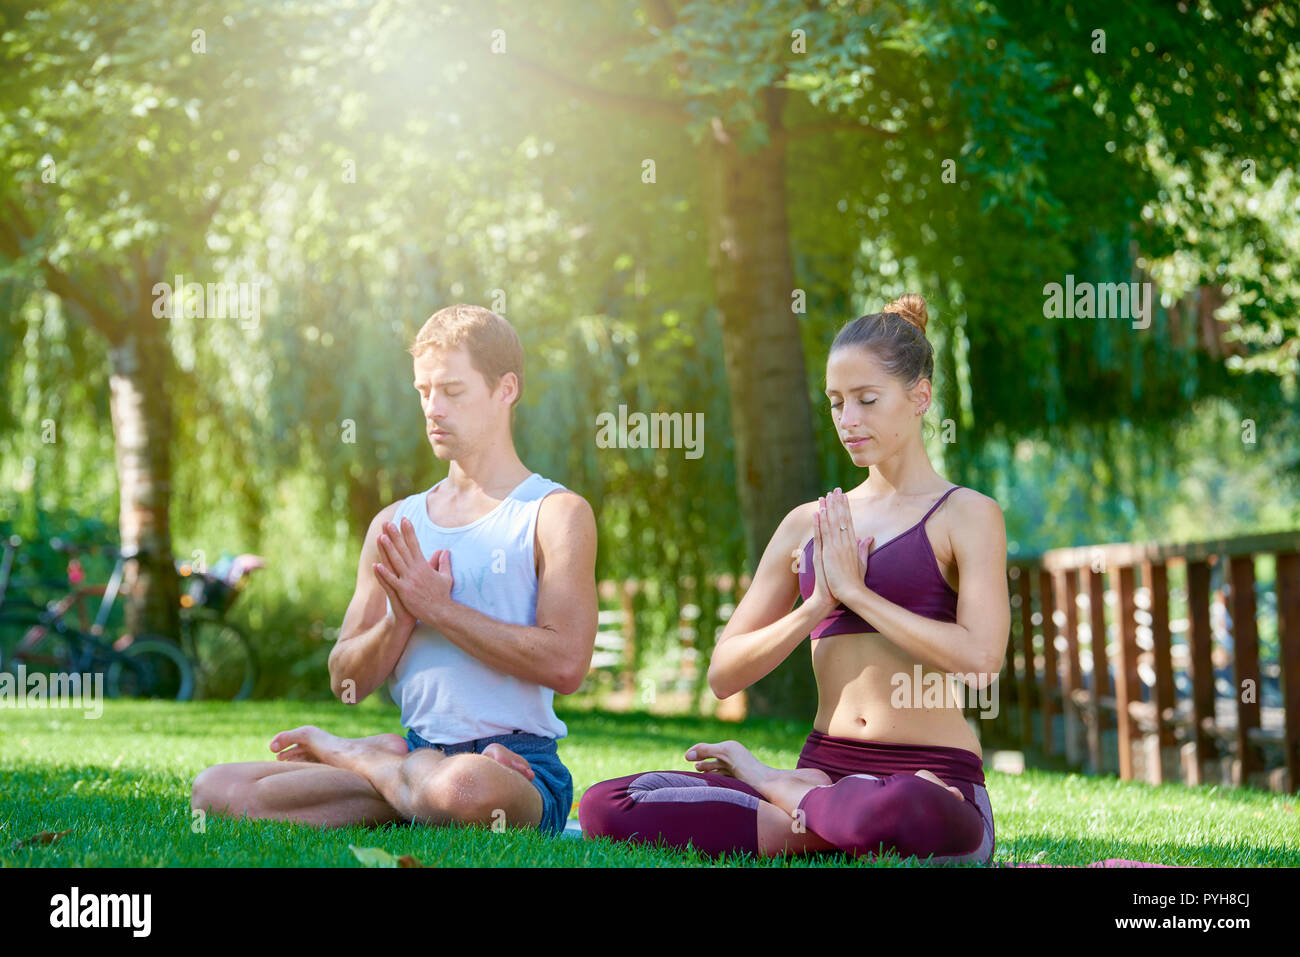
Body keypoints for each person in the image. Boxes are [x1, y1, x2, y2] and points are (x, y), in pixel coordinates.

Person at [579, 293, 1010, 863]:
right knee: (610, 803)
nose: (848, 420)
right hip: (824, 770)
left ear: (920, 397)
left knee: (904, 809)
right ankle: (826, 818)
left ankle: (780, 792)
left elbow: (981, 660)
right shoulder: (807, 524)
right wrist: (814, 608)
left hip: (930, 781)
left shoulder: (967, 513)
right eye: (836, 403)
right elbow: (724, 674)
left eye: (867, 400)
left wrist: (856, 593)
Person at [191, 304, 598, 838]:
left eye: (452, 391)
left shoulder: (554, 513)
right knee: (217, 790)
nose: (433, 408)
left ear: (506, 390)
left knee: (466, 790)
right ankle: (401, 783)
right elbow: (347, 683)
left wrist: (440, 610)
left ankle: (356, 758)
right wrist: (400, 620)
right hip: (418, 755)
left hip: (516, 771)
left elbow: (567, 664)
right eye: (423, 392)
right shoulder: (395, 523)